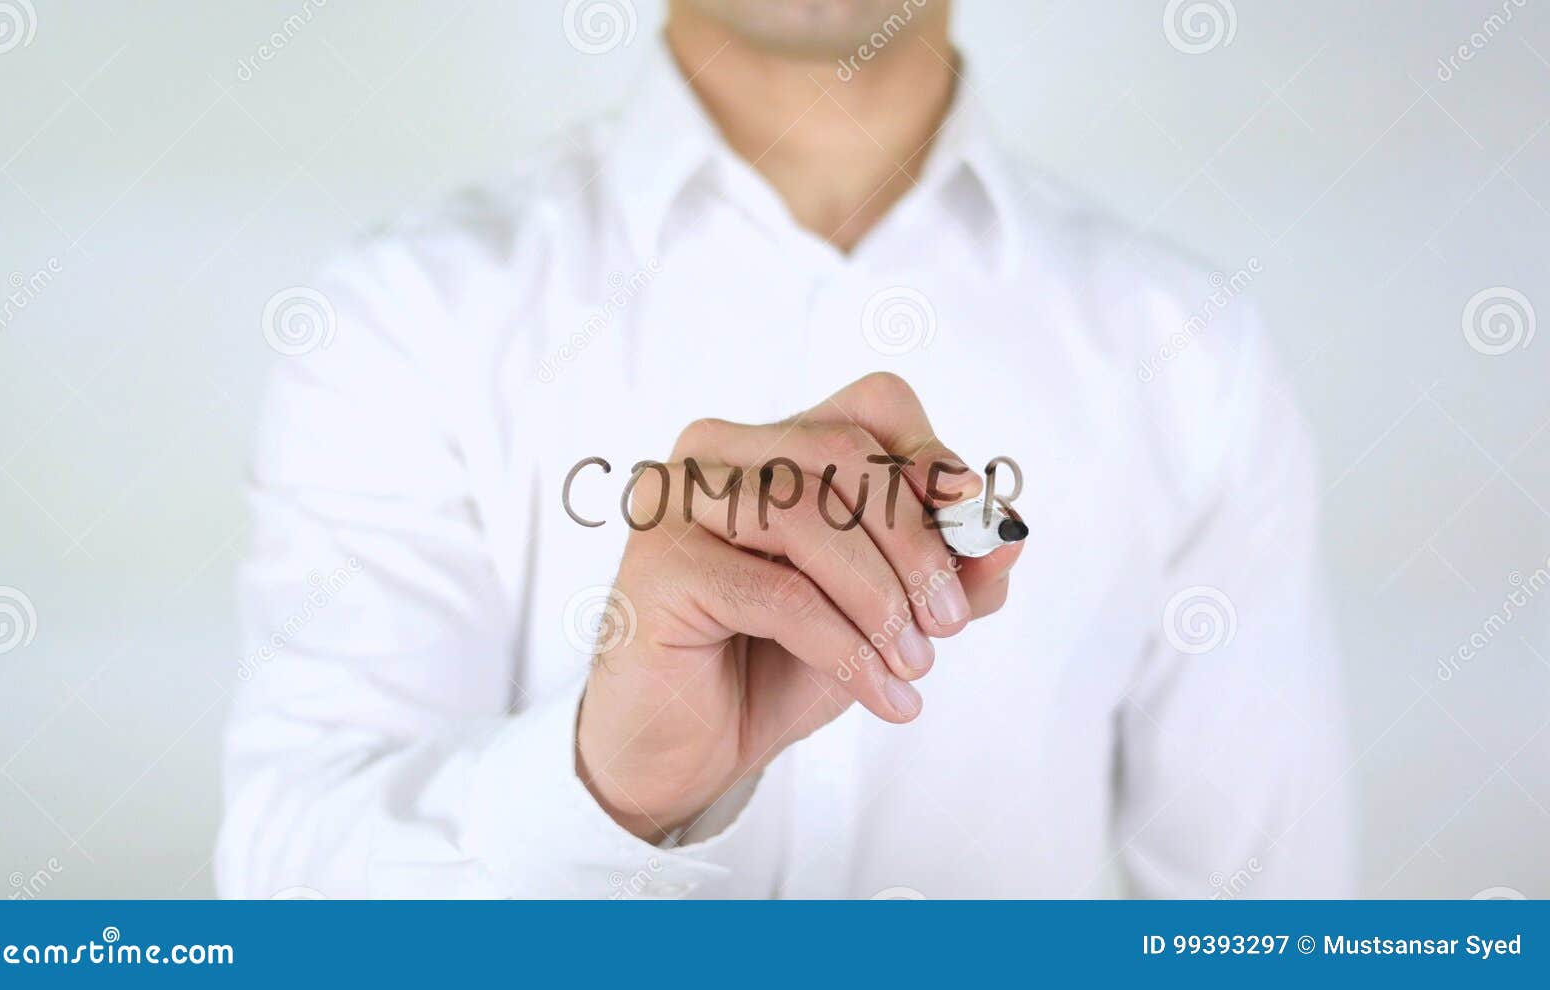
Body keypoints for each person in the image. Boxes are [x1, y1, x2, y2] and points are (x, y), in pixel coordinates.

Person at [216, 0, 1353, 898]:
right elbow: (287, 903)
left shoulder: (1191, 351)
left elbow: (1265, 928)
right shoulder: (409, 314)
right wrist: (608, 787)